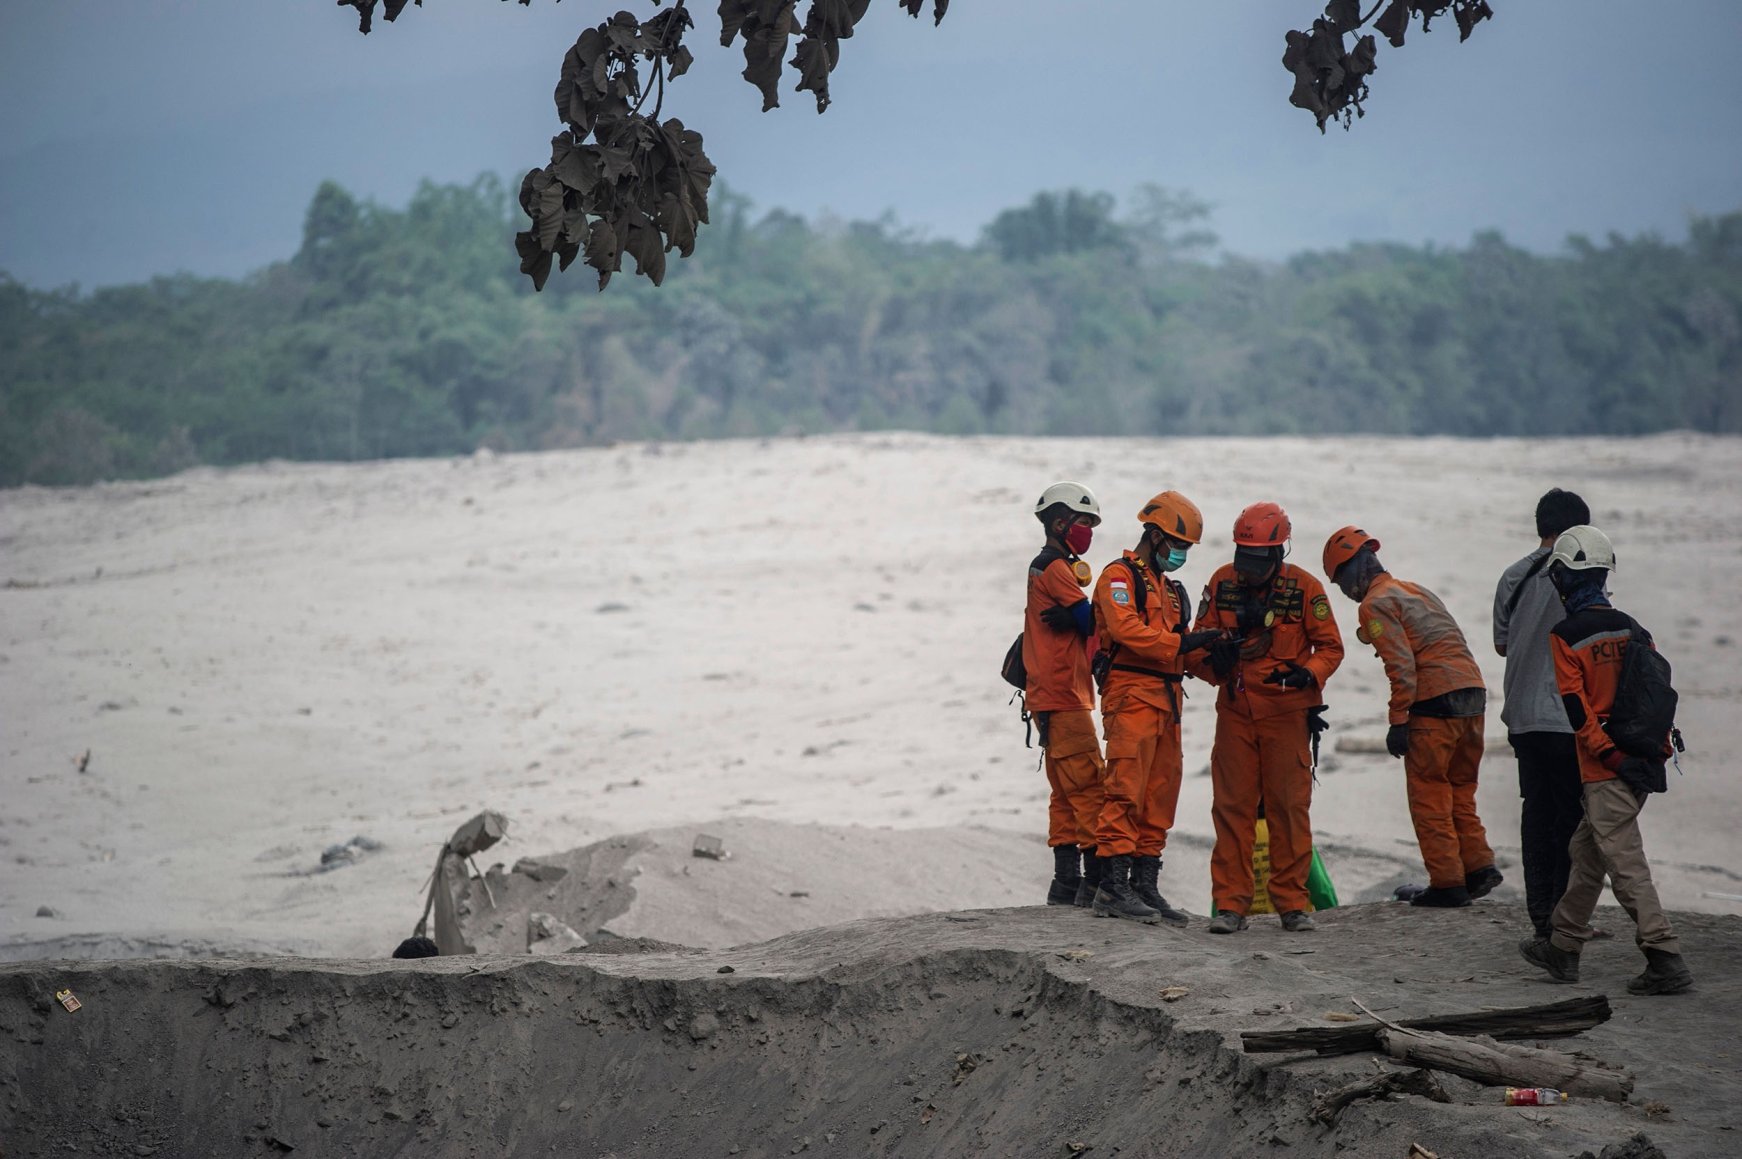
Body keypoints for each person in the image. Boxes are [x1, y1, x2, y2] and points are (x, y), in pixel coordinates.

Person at [1519, 525, 1694, 996]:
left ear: (1565, 577)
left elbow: (1578, 713)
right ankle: (1564, 944)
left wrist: (1610, 758)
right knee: (1586, 853)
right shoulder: (1633, 627)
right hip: (1641, 764)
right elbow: (1658, 693)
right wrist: (1646, 757)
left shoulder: (1566, 635)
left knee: (1625, 864)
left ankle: (1664, 954)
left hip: (1606, 769)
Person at [1323, 526, 1502, 908]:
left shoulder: (1374, 604)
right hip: (1473, 694)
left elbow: (1401, 666)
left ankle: (1448, 883)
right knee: (1460, 788)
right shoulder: (1415, 590)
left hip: (1434, 703)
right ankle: (1478, 866)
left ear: (1354, 569)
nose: (1344, 591)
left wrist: (1398, 720)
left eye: (1341, 582)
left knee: (1429, 794)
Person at [1190, 502, 1343, 934]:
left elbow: (1331, 648)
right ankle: (1230, 906)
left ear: (1279, 553)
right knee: (1232, 808)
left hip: (1287, 713)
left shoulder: (1307, 588)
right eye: (1243, 556)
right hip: (1236, 712)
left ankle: (1293, 904)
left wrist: (1306, 675)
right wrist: (1213, 660)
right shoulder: (1221, 583)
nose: (1248, 568)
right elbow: (1196, 652)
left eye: (1257, 559)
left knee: (1289, 809)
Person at [1086, 492, 1226, 925]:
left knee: (1161, 795)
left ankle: (1146, 884)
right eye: (1176, 545)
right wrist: (1185, 643)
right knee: (1125, 789)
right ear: (1152, 535)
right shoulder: (1118, 576)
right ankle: (1112, 887)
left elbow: (1182, 654)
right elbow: (1128, 631)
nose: (1180, 554)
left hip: (1167, 701)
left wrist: (1219, 657)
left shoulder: (1172, 591)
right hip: (1130, 695)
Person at [1492, 488, 1591, 938]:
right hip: (1567, 717)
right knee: (1571, 819)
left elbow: (1501, 645)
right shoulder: (1582, 575)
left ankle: (1540, 920)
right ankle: (1565, 920)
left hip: (1522, 716)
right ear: (1579, 530)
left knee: (1536, 813)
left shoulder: (1513, 575)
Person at [1023, 481, 1108, 906]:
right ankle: (1094, 883)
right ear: (1060, 523)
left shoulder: (1041, 566)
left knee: (1063, 792)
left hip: (1043, 698)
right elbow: (1089, 618)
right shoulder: (1056, 569)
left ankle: (1064, 883)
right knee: (1091, 786)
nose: (1088, 531)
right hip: (1065, 696)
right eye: (1083, 523)